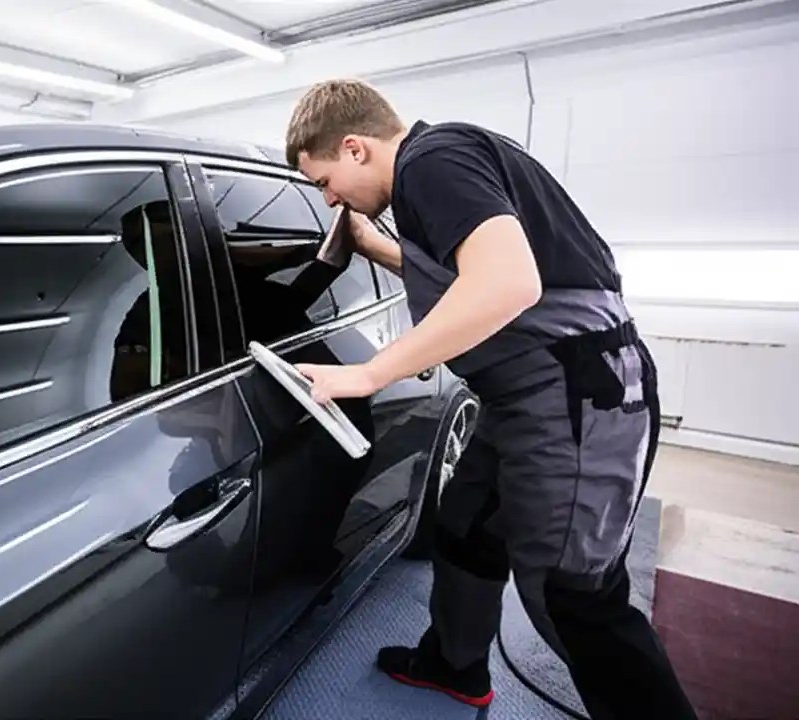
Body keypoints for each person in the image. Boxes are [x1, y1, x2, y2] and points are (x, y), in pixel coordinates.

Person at [282, 78, 697, 719]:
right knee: (468, 527)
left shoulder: (431, 162)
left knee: (574, 595)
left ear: (355, 147)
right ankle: (454, 665)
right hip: (528, 395)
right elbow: (470, 273)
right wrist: (377, 249)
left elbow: (508, 282)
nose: (332, 198)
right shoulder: (442, 165)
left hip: (578, 399)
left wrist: (369, 374)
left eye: (325, 181)